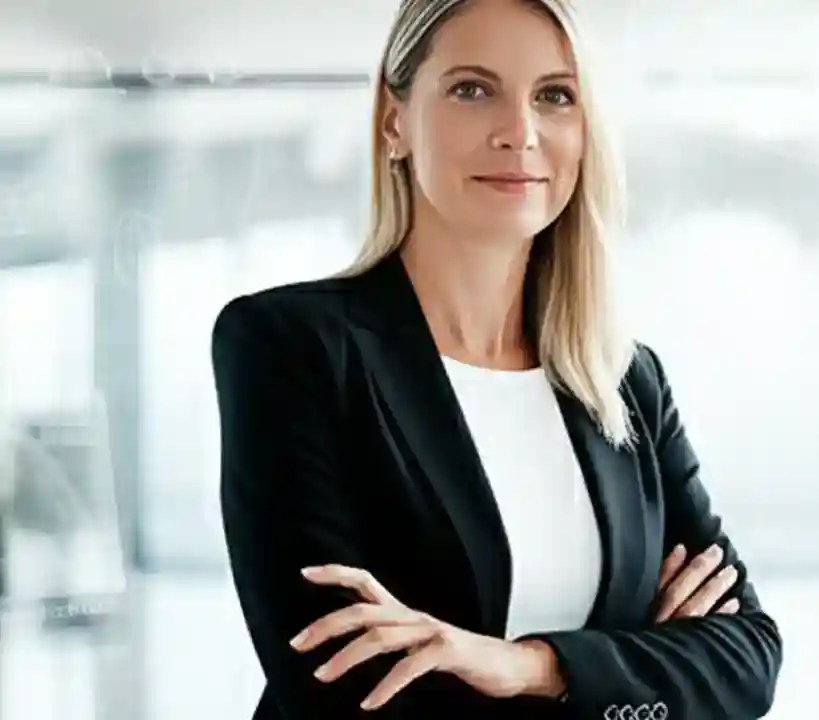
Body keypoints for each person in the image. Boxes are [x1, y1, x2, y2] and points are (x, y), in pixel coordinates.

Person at [210, 1, 782, 718]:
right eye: (472, 90)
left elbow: (748, 658)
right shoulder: (290, 346)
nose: (520, 133)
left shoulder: (625, 379)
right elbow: (341, 678)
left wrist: (522, 665)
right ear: (395, 121)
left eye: (555, 96)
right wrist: (629, 663)